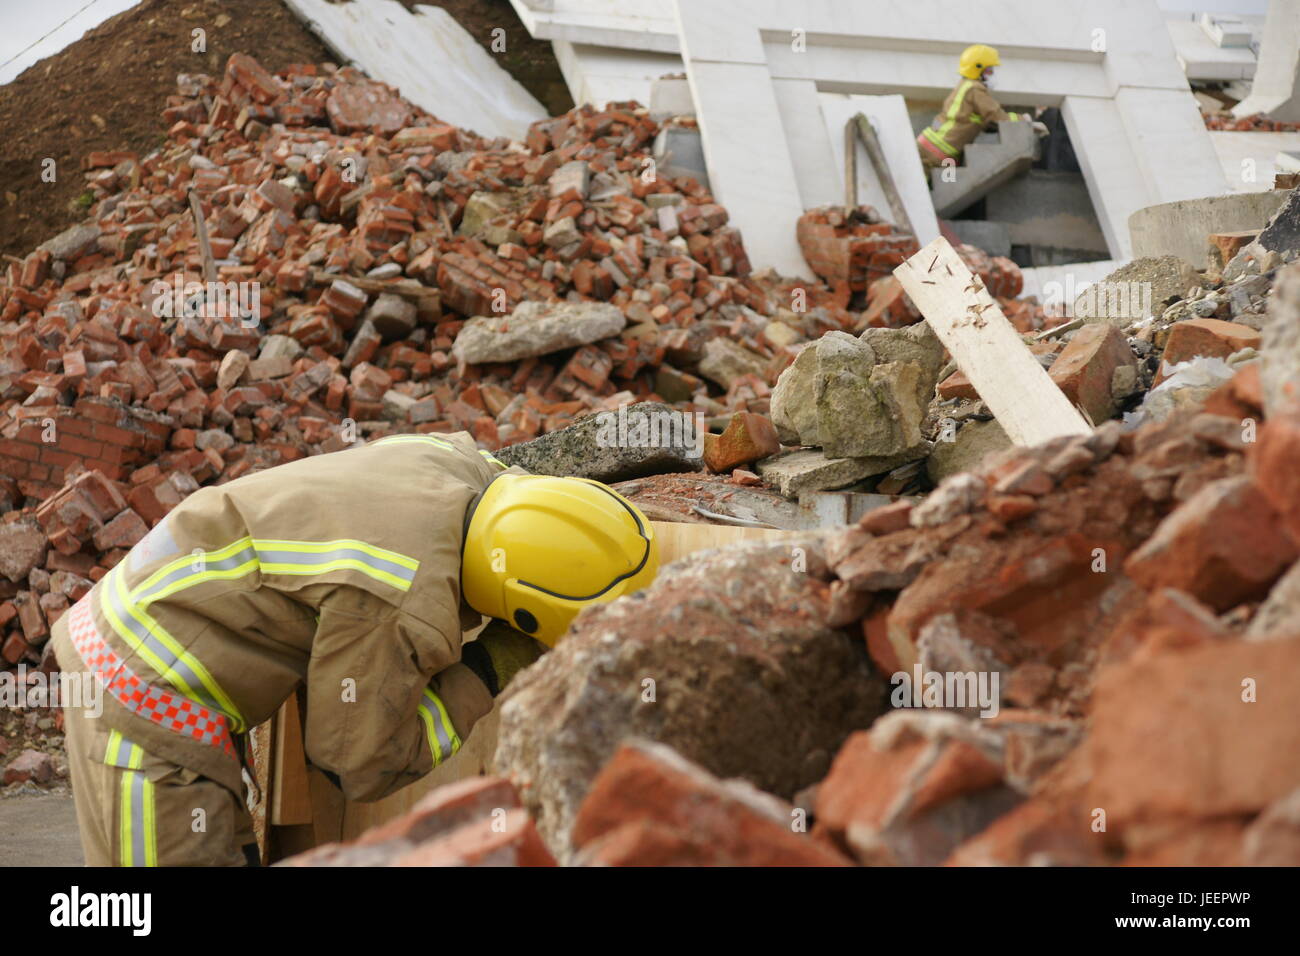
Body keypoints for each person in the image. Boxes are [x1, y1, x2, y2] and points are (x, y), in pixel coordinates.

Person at [52, 431, 658, 865]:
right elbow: (357, 763)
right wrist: (491, 666)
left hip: (143, 610)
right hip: (141, 691)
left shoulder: (460, 460)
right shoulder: (399, 603)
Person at [917, 43, 1047, 171]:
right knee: (940, 186)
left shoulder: (965, 86)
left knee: (934, 187)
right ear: (977, 69)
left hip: (936, 150)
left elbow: (985, 122)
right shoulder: (975, 89)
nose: (992, 74)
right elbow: (997, 116)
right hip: (940, 154)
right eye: (990, 70)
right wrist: (1024, 120)